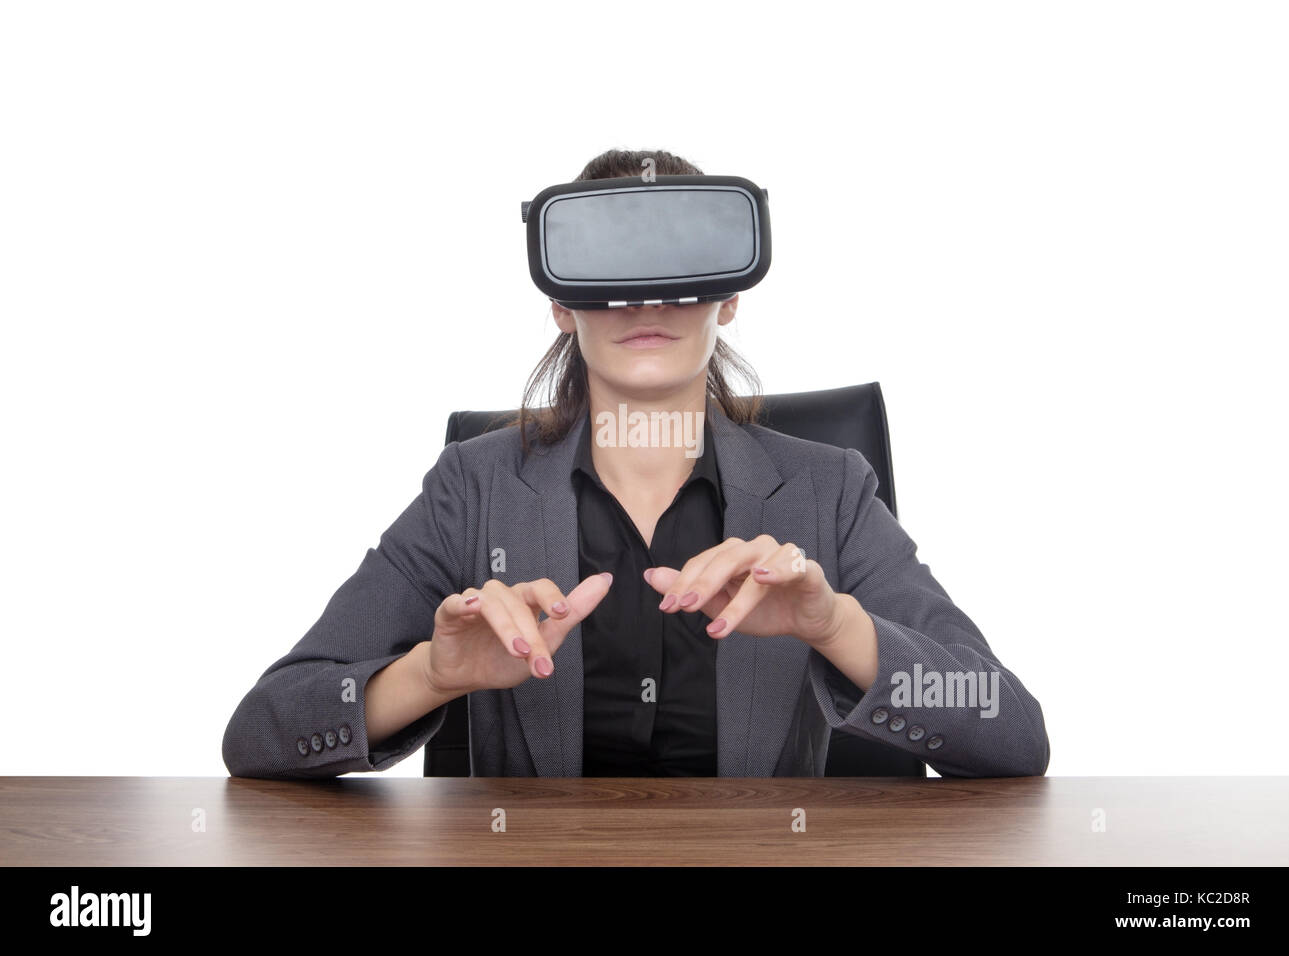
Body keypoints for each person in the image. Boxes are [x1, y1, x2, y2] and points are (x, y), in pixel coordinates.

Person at [221, 148, 1050, 779]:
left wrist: (835, 627)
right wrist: (428, 676)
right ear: (557, 300)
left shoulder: (827, 491)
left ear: (730, 295)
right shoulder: (473, 490)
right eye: (610, 270)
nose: (646, 302)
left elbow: (1009, 727)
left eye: (681, 267)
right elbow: (257, 733)